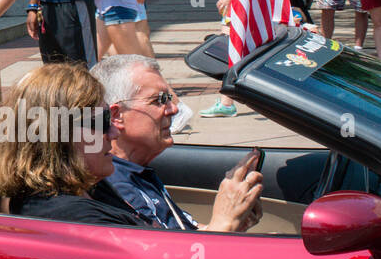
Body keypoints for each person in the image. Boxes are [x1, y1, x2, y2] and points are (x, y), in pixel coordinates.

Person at [92, 54, 263, 232]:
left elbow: (184, 233)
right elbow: (167, 257)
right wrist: (224, 223)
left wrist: (236, 223)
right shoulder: (117, 189)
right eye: (159, 100)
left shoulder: (135, 172)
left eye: (169, 98)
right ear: (116, 115)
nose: (173, 109)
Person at [0, 63, 149, 226]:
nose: (114, 133)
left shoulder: (88, 186)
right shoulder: (77, 218)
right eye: (101, 122)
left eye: (109, 118)